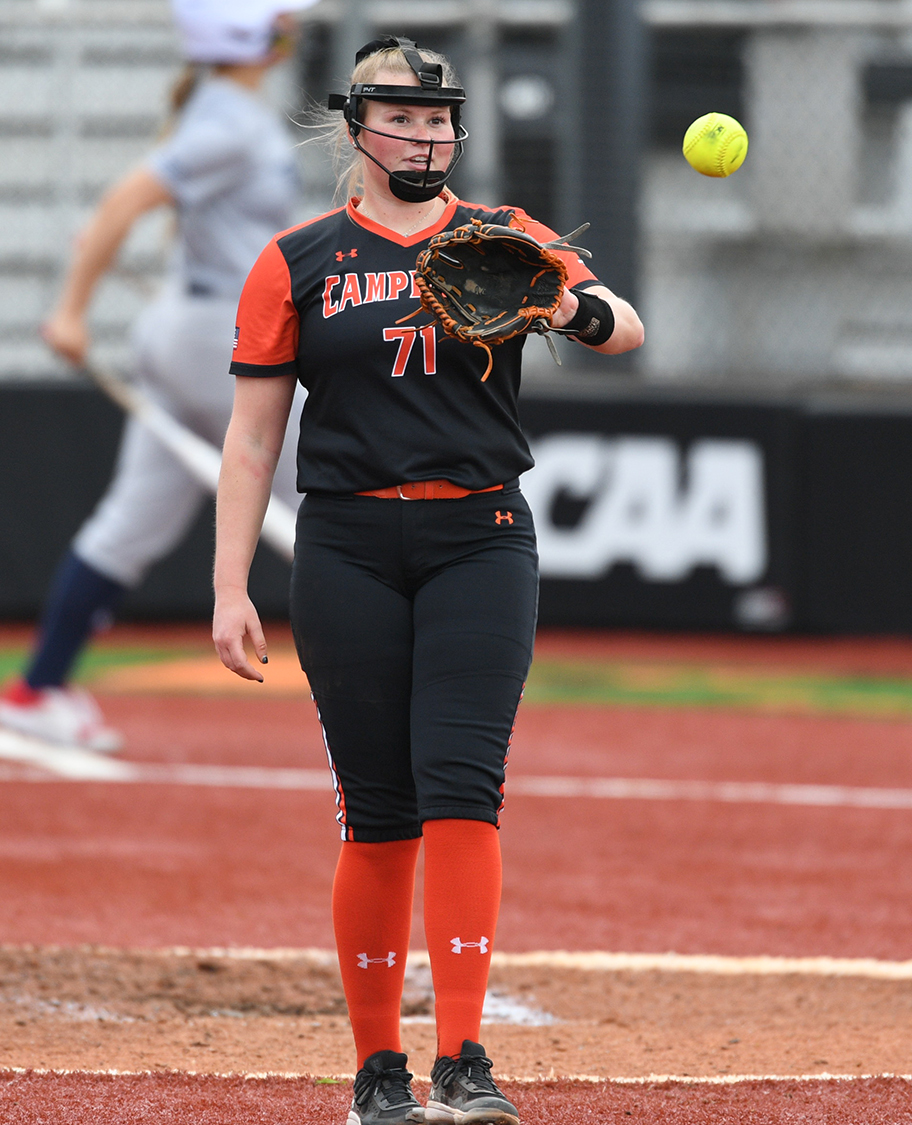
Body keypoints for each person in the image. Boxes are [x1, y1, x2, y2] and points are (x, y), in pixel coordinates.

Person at [211, 36, 643, 1125]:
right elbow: (252, 439)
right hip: (348, 546)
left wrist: (555, 305)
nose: (426, 133)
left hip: (480, 538)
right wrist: (228, 588)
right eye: (402, 116)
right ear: (355, 126)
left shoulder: (504, 236)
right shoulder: (296, 260)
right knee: (377, 810)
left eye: (440, 116)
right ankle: (376, 1074)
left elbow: (623, 331)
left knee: (463, 786)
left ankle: (463, 1057)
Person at [0, 0, 314, 751]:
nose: (292, 30)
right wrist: (71, 309)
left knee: (133, 520)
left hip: (193, 329)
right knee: (328, 490)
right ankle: (397, 675)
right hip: (222, 343)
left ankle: (37, 686)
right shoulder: (229, 118)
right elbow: (125, 200)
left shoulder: (222, 107)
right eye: (279, 22)